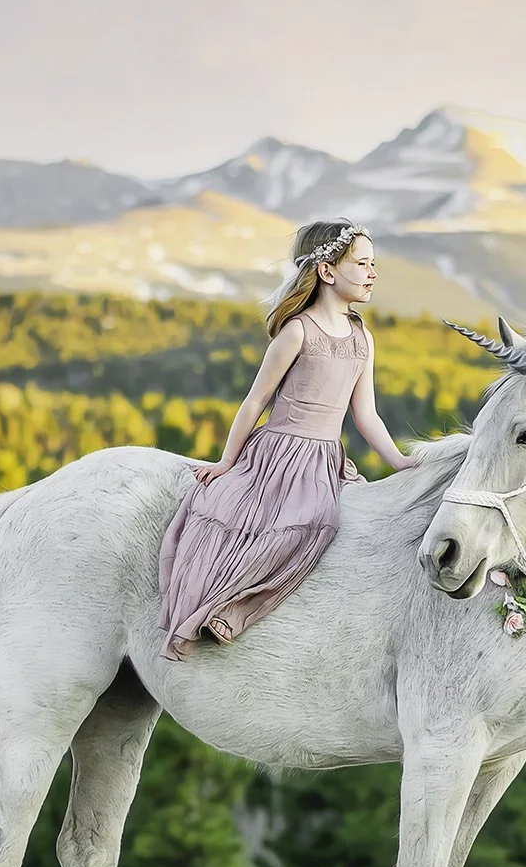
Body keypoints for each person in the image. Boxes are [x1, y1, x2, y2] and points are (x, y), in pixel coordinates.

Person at [157, 220, 413, 659]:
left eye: (374, 264)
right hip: (280, 455)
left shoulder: (361, 337)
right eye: (362, 264)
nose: (372, 273)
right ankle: (230, 609)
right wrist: (225, 463)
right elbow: (255, 402)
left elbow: (366, 414)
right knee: (311, 523)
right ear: (328, 272)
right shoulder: (297, 331)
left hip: (324, 459)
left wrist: (401, 463)